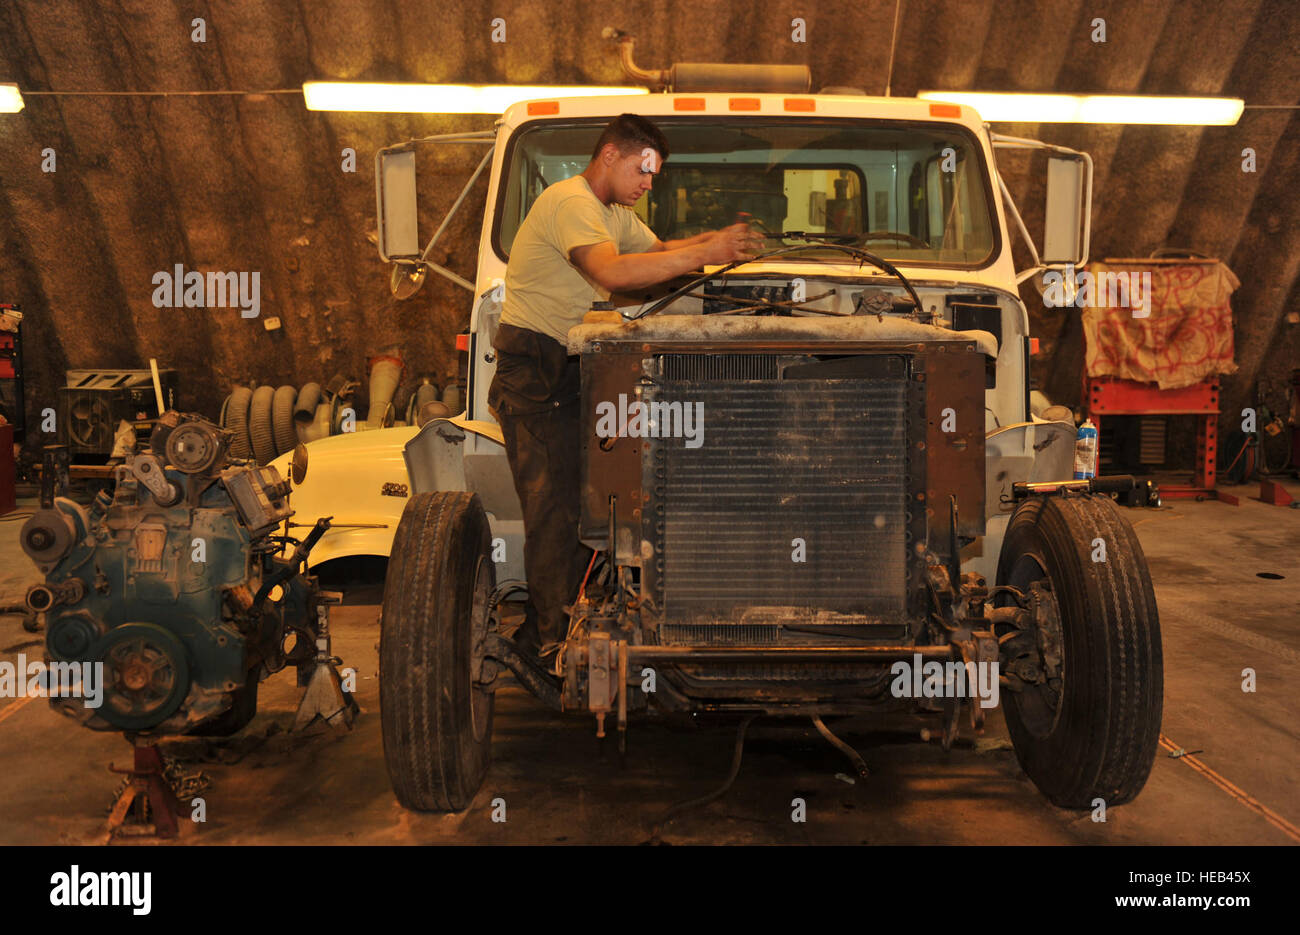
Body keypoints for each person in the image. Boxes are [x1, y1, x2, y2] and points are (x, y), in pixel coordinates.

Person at [488, 113, 762, 662]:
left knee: (598, 498)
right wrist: (703, 253)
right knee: (554, 511)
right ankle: (547, 645)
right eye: (642, 171)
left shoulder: (612, 211)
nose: (646, 184)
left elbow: (659, 253)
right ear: (610, 155)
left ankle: (582, 614)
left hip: (568, 366)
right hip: (536, 373)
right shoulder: (572, 204)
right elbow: (612, 274)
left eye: (653, 176)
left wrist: (716, 243)